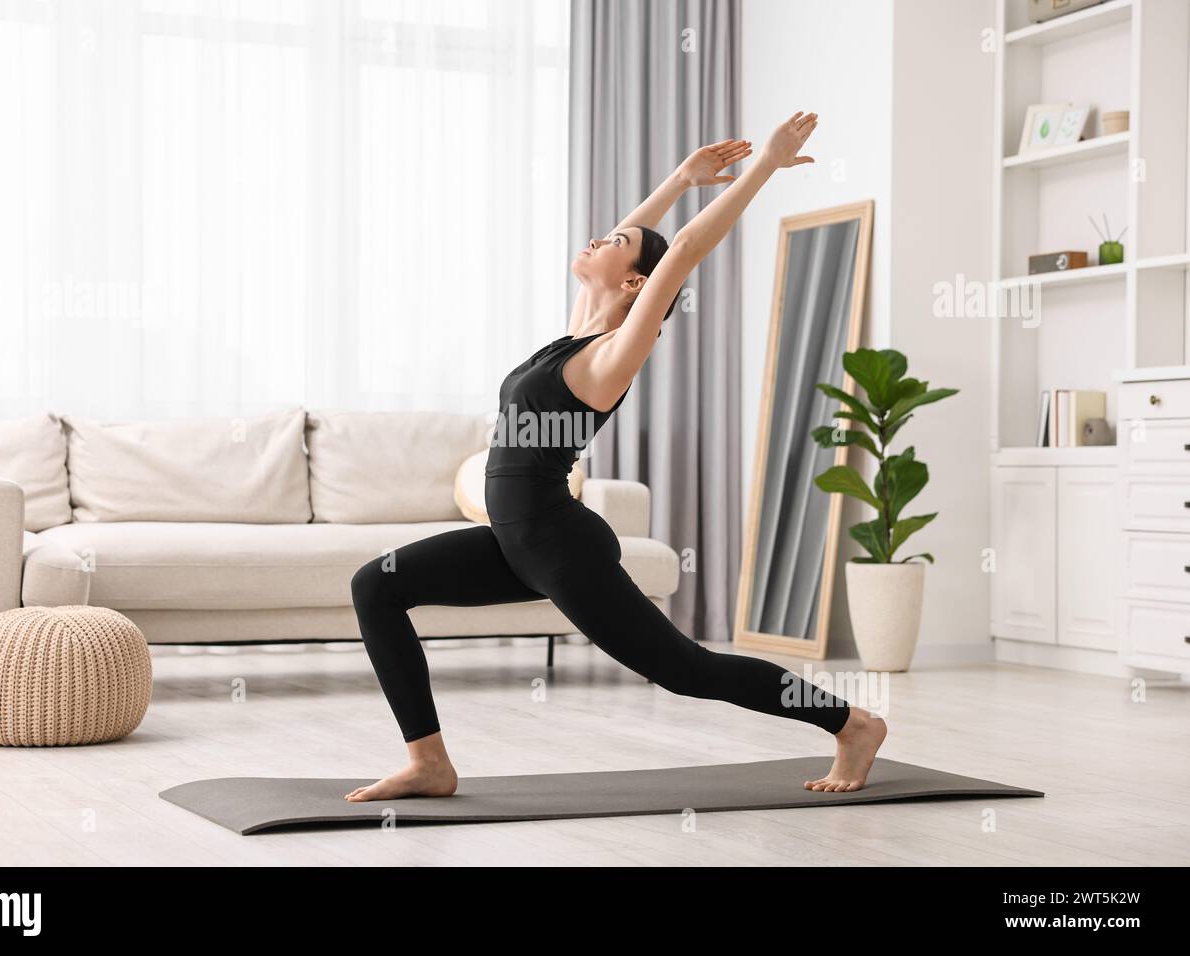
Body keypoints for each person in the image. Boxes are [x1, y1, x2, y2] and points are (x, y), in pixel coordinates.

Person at [346, 112, 887, 803]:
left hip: (558, 544)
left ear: (635, 286)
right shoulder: (576, 334)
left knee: (687, 670)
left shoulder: (611, 356)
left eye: (615, 245)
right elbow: (643, 248)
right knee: (377, 585)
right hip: (518, 540)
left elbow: (681, 250)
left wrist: (764, 167)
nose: (599, 241)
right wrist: (680, 179)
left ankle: (852, 722)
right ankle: (429, 763)